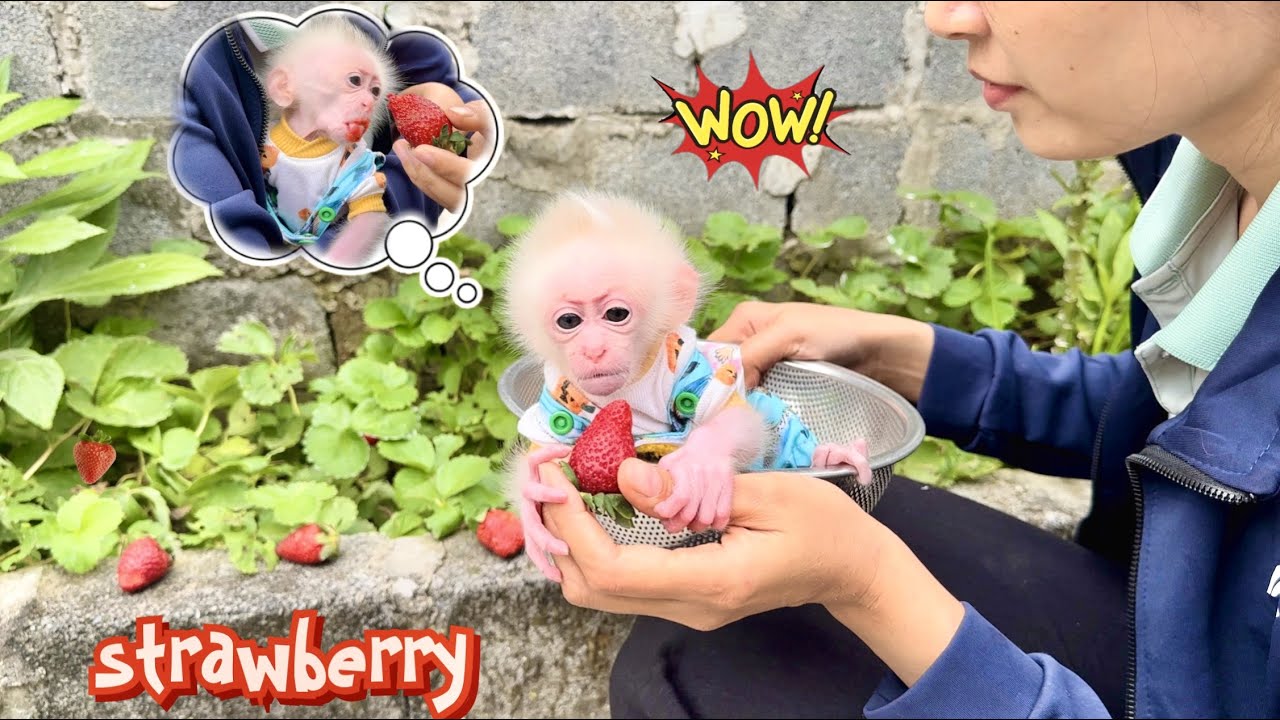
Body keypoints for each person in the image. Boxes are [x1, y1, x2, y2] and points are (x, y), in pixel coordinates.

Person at [529, 2, 1280, 718]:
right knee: (706, 638)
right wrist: (907, 355)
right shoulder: (1219, 172)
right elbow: (1187, 420)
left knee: (709, 670)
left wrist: (869, 585)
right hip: (1168, 615)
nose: (943, 16)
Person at [169, 7, 495, 267]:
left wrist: (440, 108)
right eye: (355, 81)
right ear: (284, 87)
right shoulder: (210, 74)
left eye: (376, 91)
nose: (370, 100)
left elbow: (372, 213)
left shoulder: (355, 162)